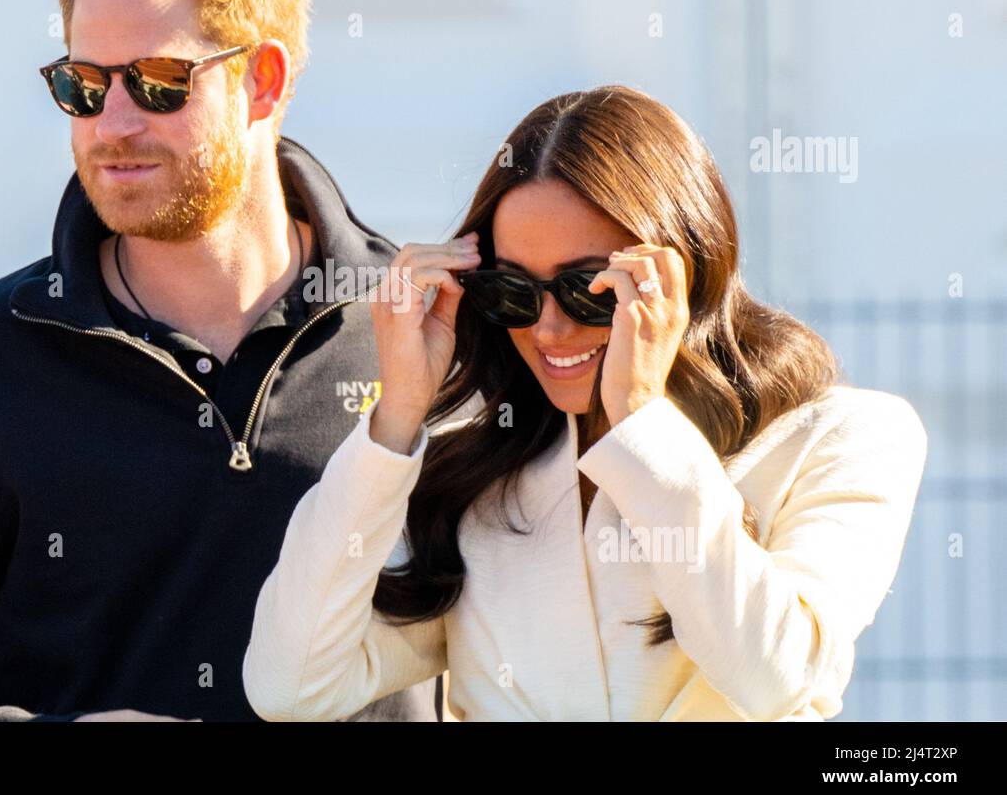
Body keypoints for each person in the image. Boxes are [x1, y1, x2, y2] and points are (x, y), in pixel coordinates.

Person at [0, 0, 439, 722]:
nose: (110, 124)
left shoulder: (425, 333)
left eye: (155, 82)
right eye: (83, 84)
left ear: (263, 81)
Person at [243, 85, 928, 721]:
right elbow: (289, 685)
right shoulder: (477, 479)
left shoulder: (846, 438)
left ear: (682, 271)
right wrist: (394, 423)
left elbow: (776, 676)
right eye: (511, 292)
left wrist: (642, 420)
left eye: (588, 290)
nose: (547, 329)